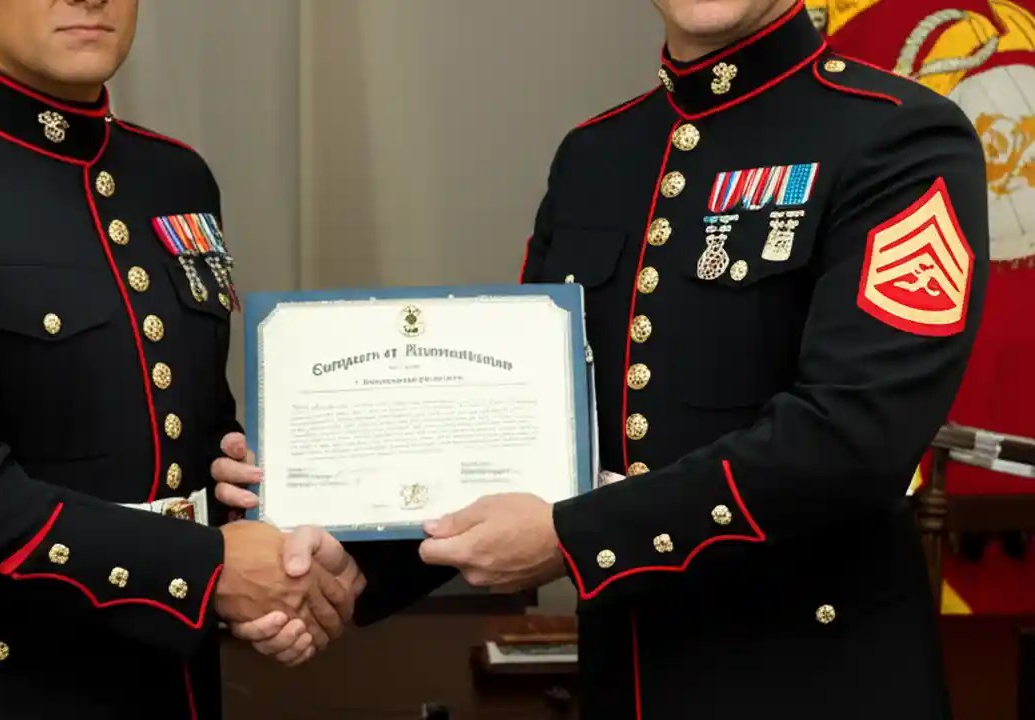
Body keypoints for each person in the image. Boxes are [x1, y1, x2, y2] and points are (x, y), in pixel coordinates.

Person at [216, 0, 989, 717]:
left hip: (821, 685)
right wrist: (346, 572)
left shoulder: (898, 137)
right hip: (628, 684)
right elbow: (517, 441)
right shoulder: (598, 156)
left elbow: (854, 439)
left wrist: (573, 536)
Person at [0, 1, 360, 718]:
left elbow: (191, 442)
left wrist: (285, 559)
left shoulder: (175, 178)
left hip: (165, 682)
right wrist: (208, 573)